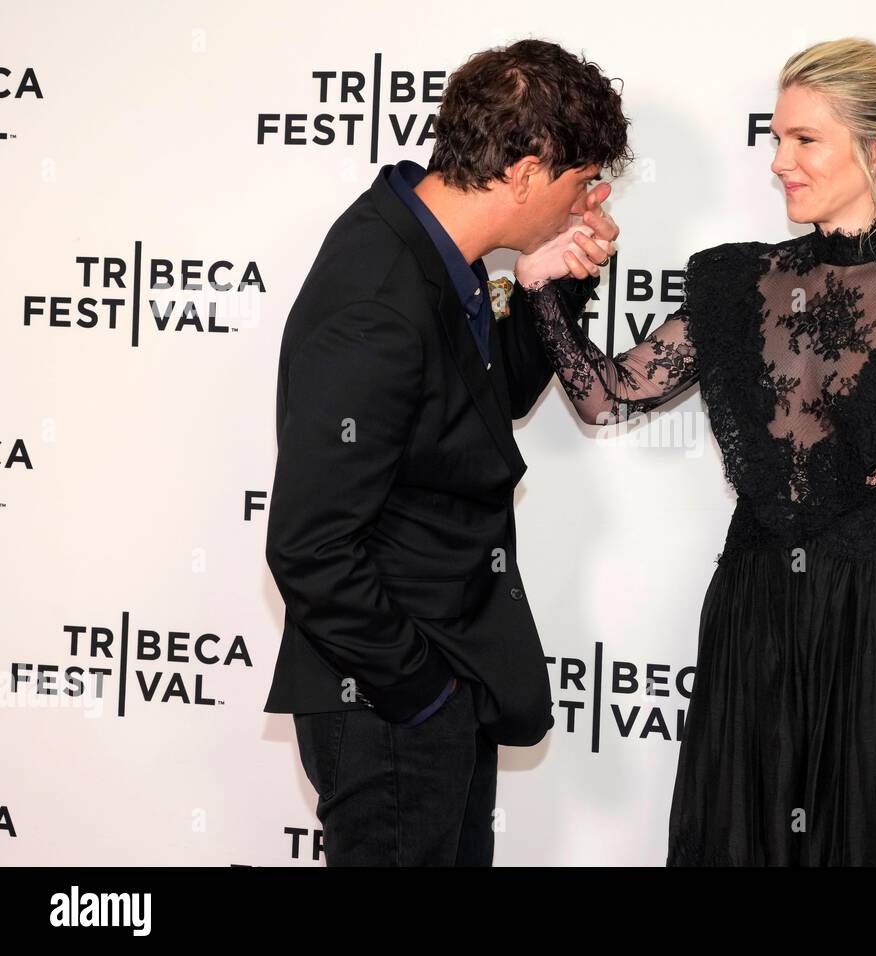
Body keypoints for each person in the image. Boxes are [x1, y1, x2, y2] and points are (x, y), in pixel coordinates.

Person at [513, 37, 876, 865]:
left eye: (804, 139)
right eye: (776, 138)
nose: (779, 161)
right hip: (754, 619)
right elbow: (605, 396)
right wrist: (542, 288)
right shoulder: (736, 284)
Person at [262, 39, 632, 865]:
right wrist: (424, 692)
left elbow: (484, 410)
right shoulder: (379, 294)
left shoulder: (434, 257)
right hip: (391, 698)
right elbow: (308, 547)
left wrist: (552, 284)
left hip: (434, 678)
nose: (585, 207)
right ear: (529, 171)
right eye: (580, 186)